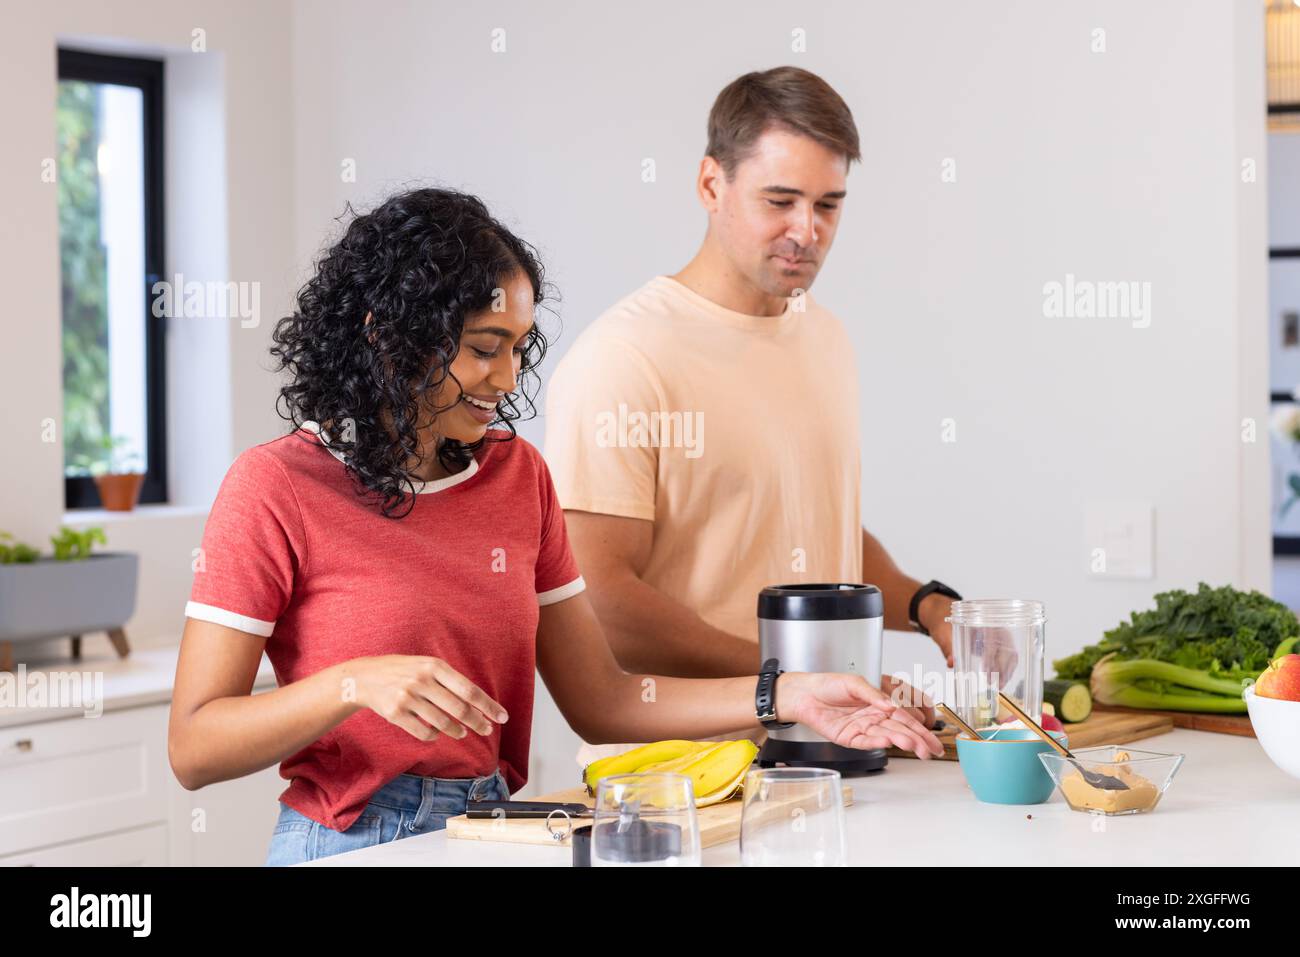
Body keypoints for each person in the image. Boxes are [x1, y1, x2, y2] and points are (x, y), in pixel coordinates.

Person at [166, 187, 944, 866]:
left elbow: (604, 697)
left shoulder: (517, 476)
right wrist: (349, 683)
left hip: (491, 829)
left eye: (517, 349)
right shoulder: (277, 486)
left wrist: (790, 693)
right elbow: (194, 746)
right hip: (346, 842)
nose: (507, 381)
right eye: (483, 349)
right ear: (388, 335)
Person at [543, 67, 963, 763]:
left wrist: (929, 607)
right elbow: (600, 600)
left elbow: (815, 525)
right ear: (711, 185)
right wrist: (786, 684)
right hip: (685, 779)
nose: (808, 230)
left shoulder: (823, 335)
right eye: (781, 200)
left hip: (836, 751)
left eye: (829, 204)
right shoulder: (625, 357)